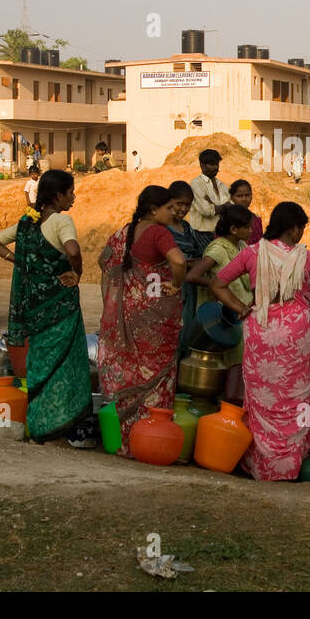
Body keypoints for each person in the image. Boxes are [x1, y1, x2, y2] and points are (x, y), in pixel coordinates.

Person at [209, 202, 310, 481]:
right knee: (297, 398)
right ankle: (291, 464)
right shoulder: (308, 258)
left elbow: (217, 284)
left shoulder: (252, 253)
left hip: (260, 331)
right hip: (297, 334)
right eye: (301, 228)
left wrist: (241, 308)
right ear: (295, 227)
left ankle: (261, 463)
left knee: (260, 398)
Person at [0, 169, 94, 443]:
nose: (74, 197)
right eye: (71, 191)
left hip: (33, 309)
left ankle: (38, 428)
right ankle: (60, 429)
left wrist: (19, 260)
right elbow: (72, 250)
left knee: (39, 365)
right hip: (61, 309)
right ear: (58, 195)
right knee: (65, 366)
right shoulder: (62, 221)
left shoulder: (26, 223)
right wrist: (77, 273)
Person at [96, 185, 186, 456]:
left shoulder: (124, 232)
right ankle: (148, 443)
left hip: (124, 320)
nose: (174, 213)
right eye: (169, 208)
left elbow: (105, 264)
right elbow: (179, 262)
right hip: (152, 324)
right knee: (155, 378)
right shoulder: (159, 232)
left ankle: (123, 442)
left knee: (127, 375)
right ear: (153, 210)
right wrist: (177, 285)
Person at [185, 203, 254, 367]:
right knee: (228, 362)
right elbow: (192, 276)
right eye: (247, 227)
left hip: (240, 310)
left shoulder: (241, 246)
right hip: (224, 315)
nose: (251, 231)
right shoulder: (218, 249)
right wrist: (218, 285)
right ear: (234, 230)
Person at [165, 181, 204, 352]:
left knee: (186, 330)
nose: (183, 209)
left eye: (188, 205)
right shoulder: (162, 228)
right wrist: (188, 262)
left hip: (189, 288)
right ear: (169, 201)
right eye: (179, 203)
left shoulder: (186, 227)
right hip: (170, 286)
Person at [189, 149, 230, 250]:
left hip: (220, 234)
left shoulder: (222, 185)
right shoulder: (196, 184)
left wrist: (216, 206)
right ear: (202, 165)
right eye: (211, 164)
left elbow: (232, 207)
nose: (215, 167)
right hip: (201, 235)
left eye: (216, 164)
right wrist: (224, 207)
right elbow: (206, 211)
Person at [228, 179, 263, 244]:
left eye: (247, 195)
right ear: (231, 197)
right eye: (239, 196)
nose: (244, 199)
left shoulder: (256, 219)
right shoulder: (227, 219)